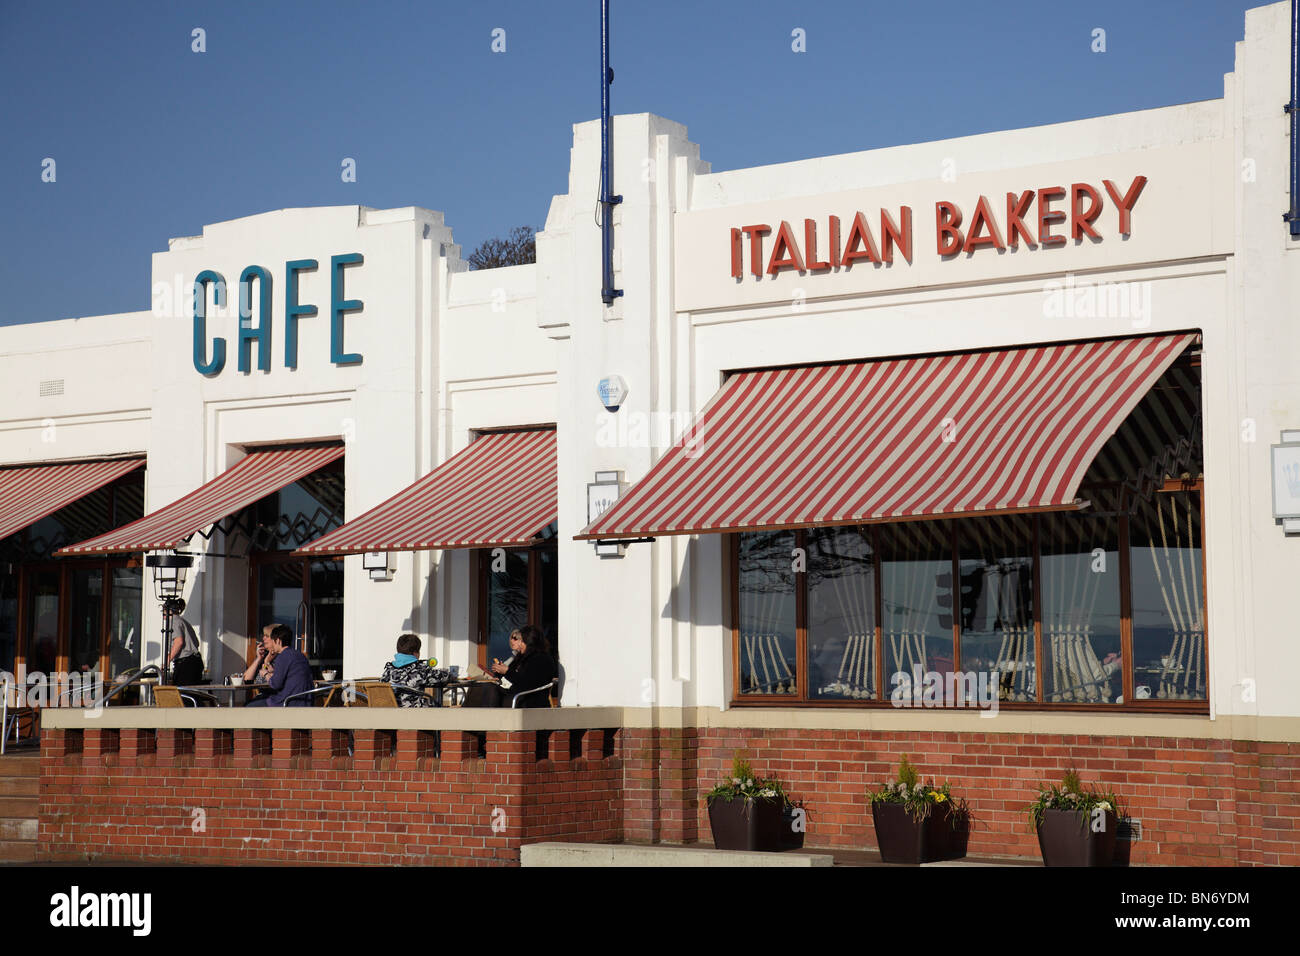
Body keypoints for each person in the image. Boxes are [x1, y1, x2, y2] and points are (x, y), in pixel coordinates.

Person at [488, 625, 557, 707]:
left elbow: (526, 682)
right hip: (516, 692)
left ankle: (488, 718)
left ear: (529, 642)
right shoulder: (521, 656)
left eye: (521, 641)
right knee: (486, 687)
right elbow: (512, 674)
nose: (519, 645)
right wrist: (500, 672)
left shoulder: (541, 659)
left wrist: (507, 671)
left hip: (530, 698)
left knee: (492, 690)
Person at [245, 624, 312, 706]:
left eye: (272, 640)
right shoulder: (300, 655)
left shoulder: (283, 656)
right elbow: (290, 677)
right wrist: (273, 672)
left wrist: (265, 673)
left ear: (278, 641)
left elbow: (275, 684)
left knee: (248, 706)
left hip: (289, 701)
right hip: (306, 701)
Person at [381, 634, 448, 707]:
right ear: (415, 653)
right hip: (415, 713)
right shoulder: (419, 669)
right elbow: (444, 677)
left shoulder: (388, 670)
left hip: (390, 711)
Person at [165, 597, 204, 686]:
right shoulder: (183, 621)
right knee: (192, 695)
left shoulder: (174, 621)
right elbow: (196, 642)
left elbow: (179, 642)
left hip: (187, 664)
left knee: (184, 695)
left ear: (168, 610)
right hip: (194, 661)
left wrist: (167, 660)